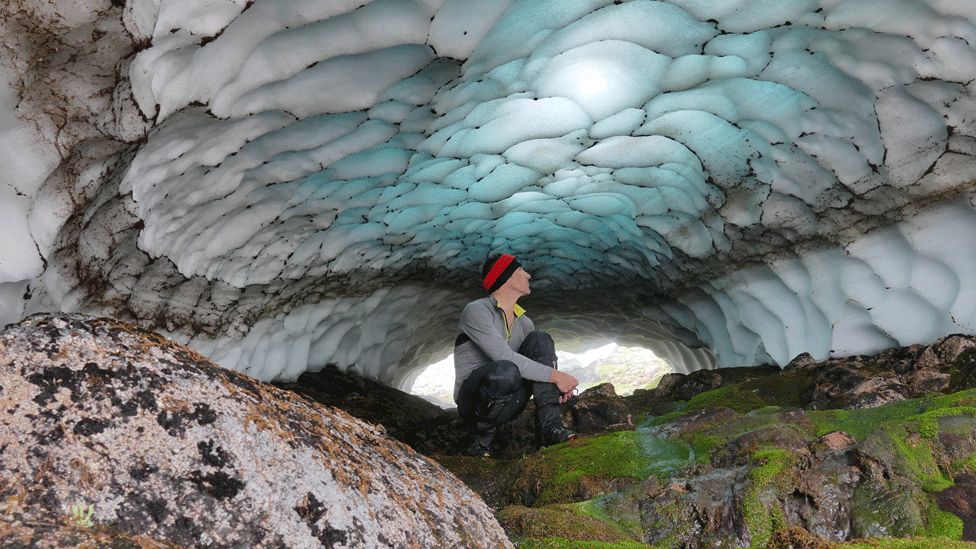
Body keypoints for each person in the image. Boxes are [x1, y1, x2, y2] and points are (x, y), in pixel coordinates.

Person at [453, 253, 579, 457]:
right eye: (521, 270)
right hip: (474, 403)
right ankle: (481, 441)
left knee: (540, 339)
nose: (528, 275)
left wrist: (557, 384)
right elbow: (501, 355)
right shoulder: (476, 310)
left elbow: (537, 362)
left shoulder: (525, 323)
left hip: (510, 403)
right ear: (506, 277)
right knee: (506, 369)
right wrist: (556, 377)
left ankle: (550, 429)